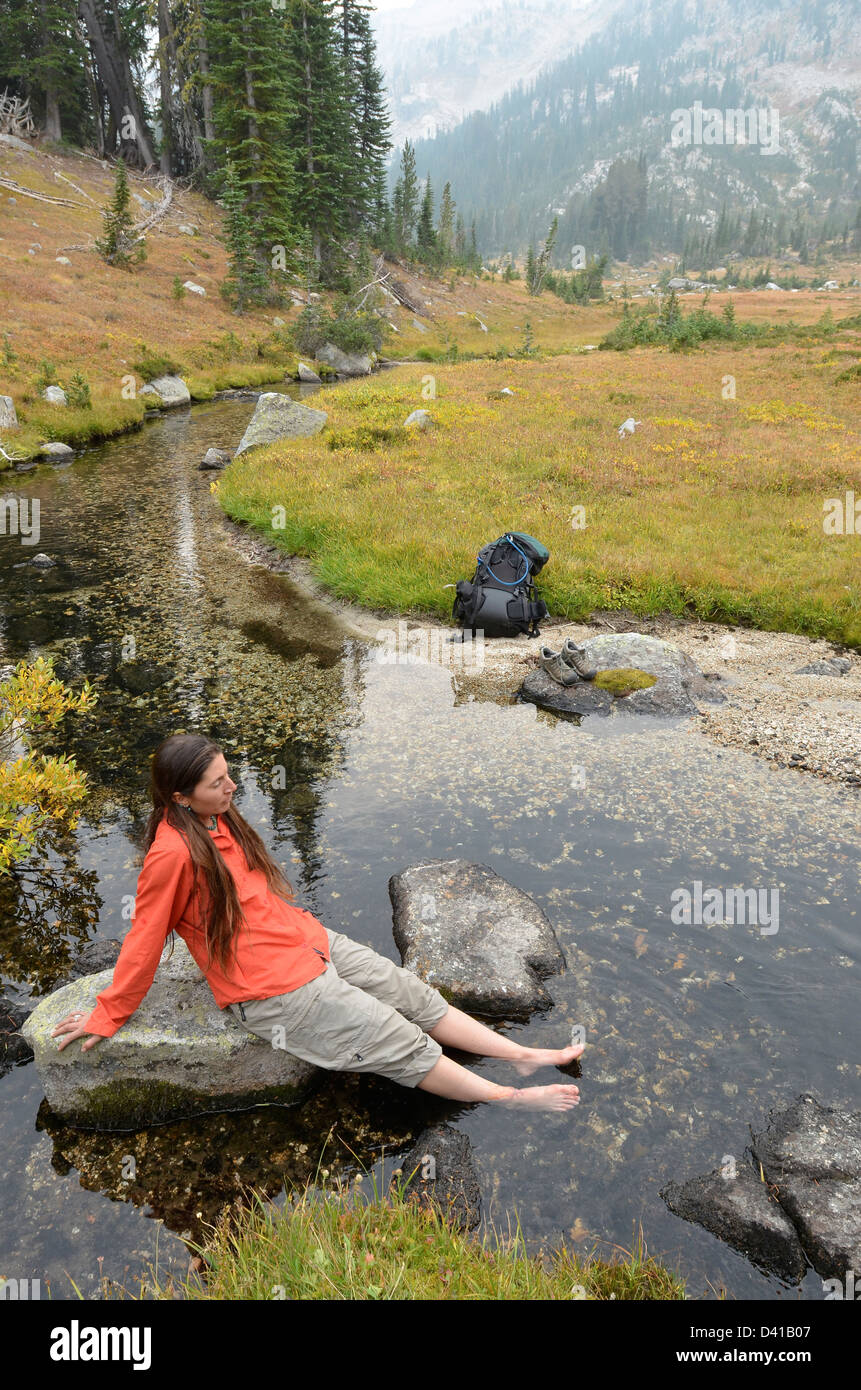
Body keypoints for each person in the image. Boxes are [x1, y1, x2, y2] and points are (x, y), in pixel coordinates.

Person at [52, 734, 583, 1111]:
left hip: (305, 940)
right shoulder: (171, 854)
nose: (233, 786)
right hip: (271, 987)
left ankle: (521, 1055)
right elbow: (144, 937)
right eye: (218, 783)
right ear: (180, 797)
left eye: (229, 774)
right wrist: (109, 1012)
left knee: (412, 995)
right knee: (400, 1039)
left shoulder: (216, 817)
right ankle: (510, 1099)